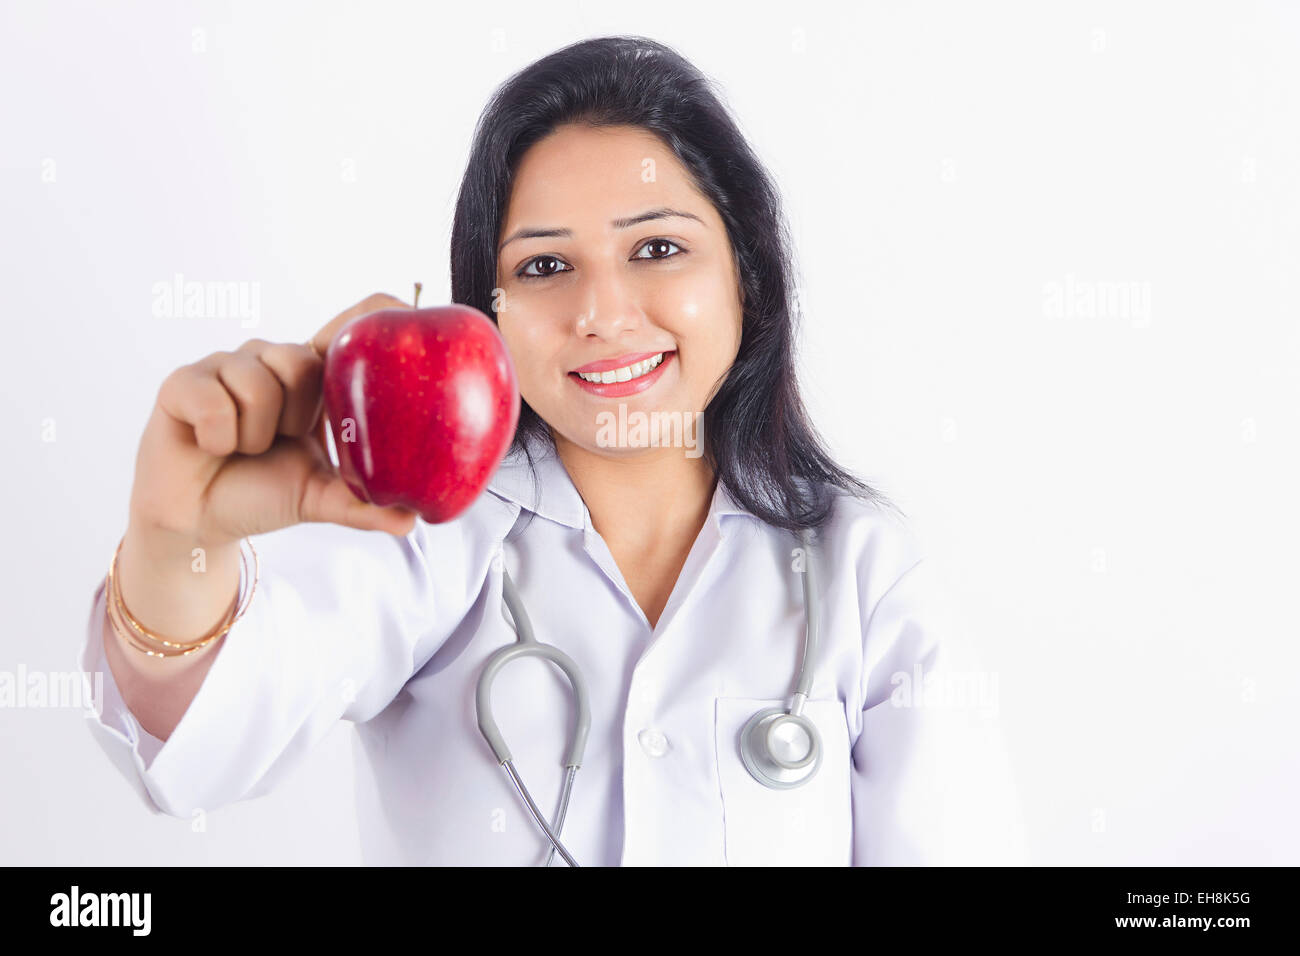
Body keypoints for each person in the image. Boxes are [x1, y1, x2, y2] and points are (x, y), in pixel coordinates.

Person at [79, 35, 1025, 866]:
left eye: (657, 248)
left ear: (745, 272)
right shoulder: (418, 538)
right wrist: (174, 540)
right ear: (484, 310)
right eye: (543, 266)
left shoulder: (866, 574)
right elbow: (198, 745)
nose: (602, 315)